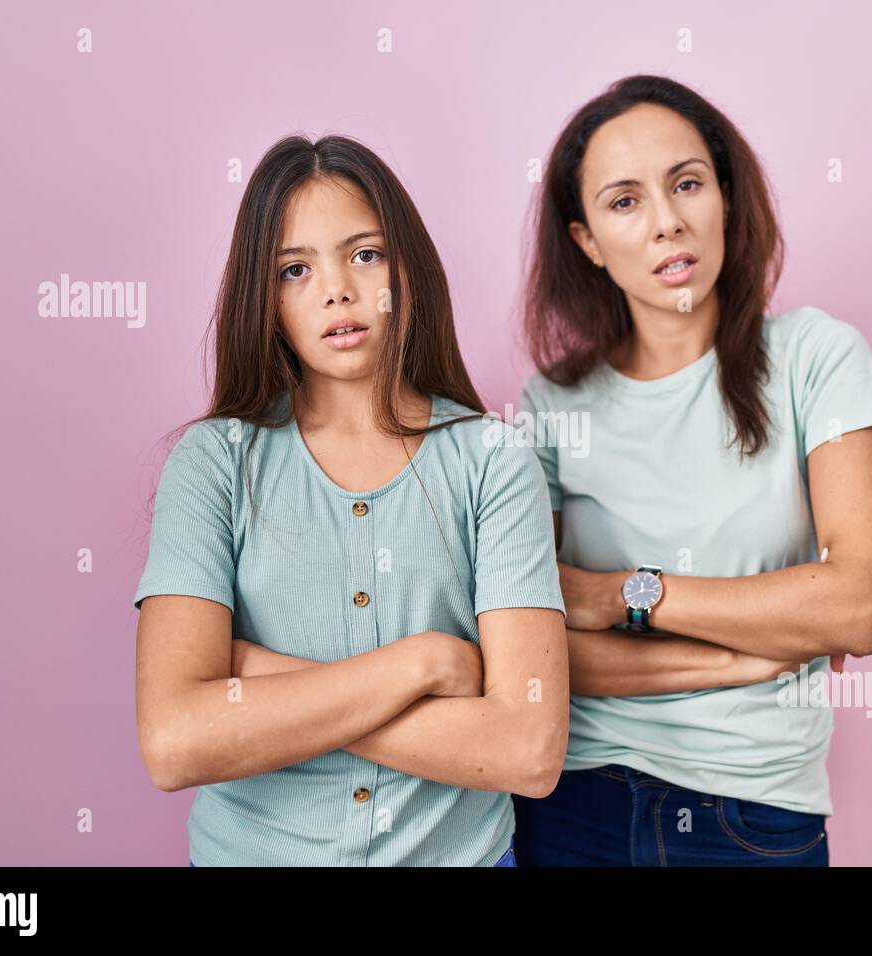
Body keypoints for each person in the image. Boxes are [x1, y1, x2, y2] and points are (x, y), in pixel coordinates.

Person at [511, 75, 872, 866]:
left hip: (754, 810)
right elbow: (534, 651)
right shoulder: (549, 404)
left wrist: (621, 594)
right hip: (571, 802)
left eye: (687, 184)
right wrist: (744, 655)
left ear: (726, 200)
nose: (668, 223)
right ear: (587, 240)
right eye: (624, 202)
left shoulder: (815, 358)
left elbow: (859, 606)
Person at [133, 134, 568, 866]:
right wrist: (423, 664)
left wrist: (267, 680)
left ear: (408, 268)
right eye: (295, 269)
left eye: (365, 255)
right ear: (263, 300)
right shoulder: (212, 464)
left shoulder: (494, 460)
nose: (337, 289)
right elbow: (176, 743)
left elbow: (527, 750)